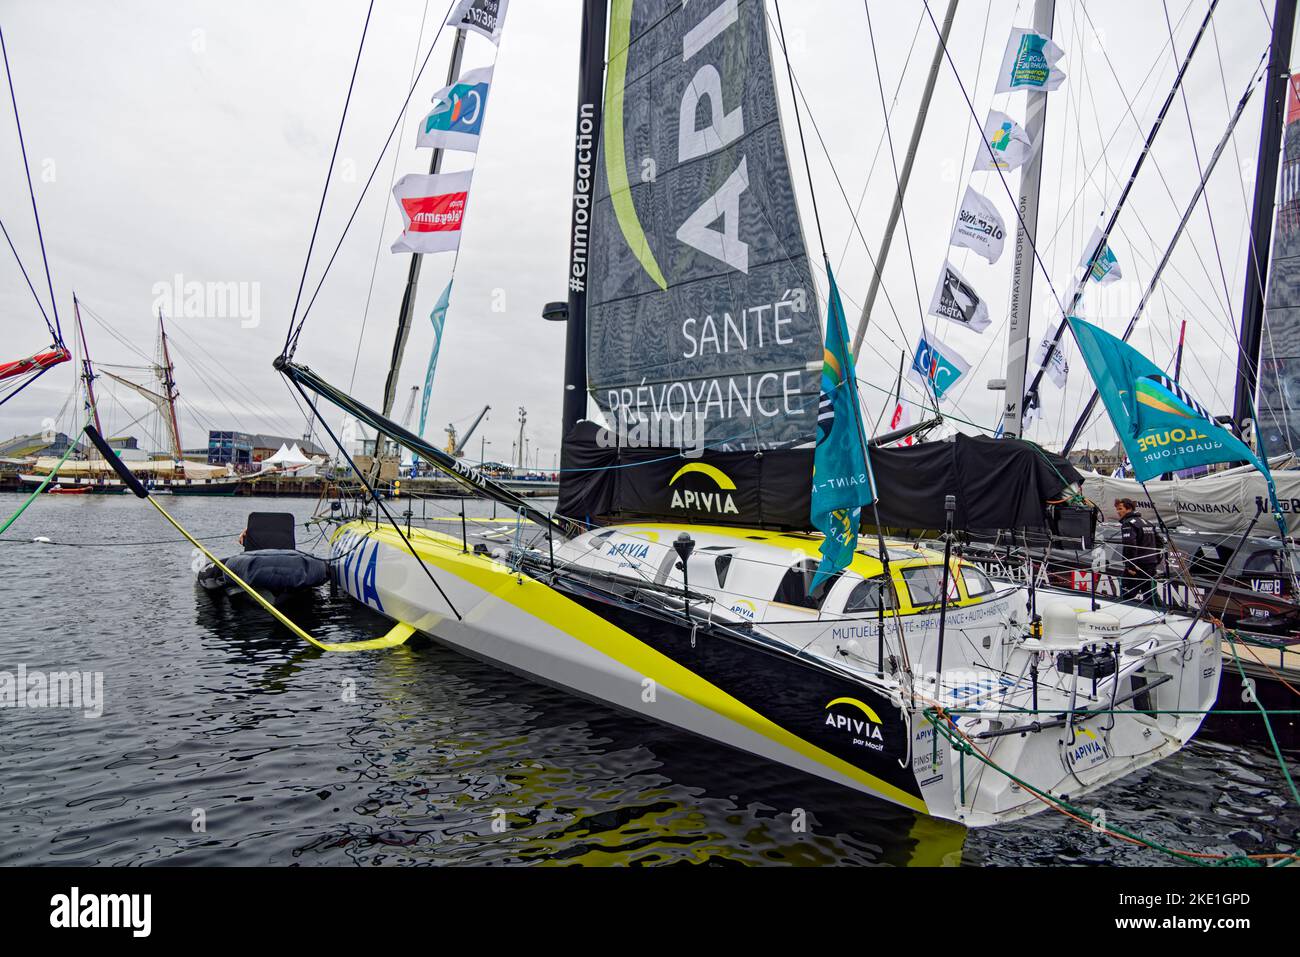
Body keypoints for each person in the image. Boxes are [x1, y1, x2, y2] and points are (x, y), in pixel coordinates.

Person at [1115, 498, 1159, 603]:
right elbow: (1160, 542)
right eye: (1117, 509)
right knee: (1150, 596)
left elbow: (1130, 544)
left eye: (1120, 509)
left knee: (1126, 596)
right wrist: (1156, 560)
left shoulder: (1128, 523)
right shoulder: (1147, 522)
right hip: (1150, 565)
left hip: (1137, 567)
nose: (1118, 512)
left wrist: (1130, 565)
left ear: (1129, 508)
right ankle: (1159, 614)